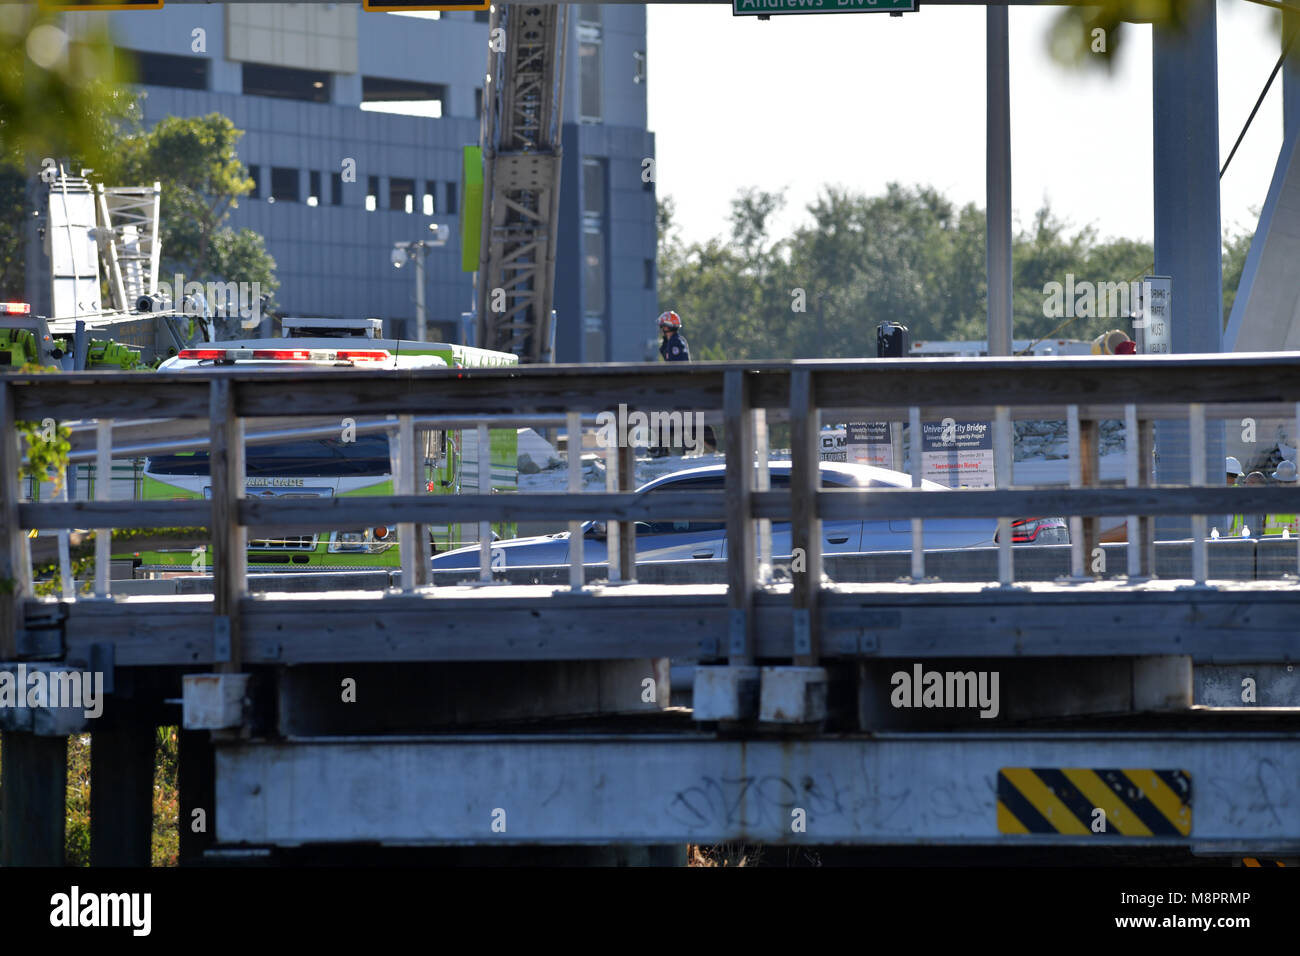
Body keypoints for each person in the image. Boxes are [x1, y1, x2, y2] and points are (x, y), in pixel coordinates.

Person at [1263, 460, 1298, 537]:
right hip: (1295, 544)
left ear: (1277, 480)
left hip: (1270, 544)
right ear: (1295, 480)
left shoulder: (1269, 500)